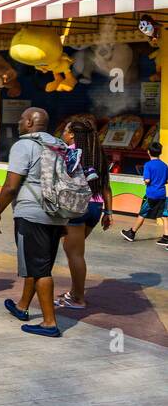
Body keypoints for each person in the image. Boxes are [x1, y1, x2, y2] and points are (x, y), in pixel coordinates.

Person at [0, 106, 73, 338]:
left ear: (29, 123)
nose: (17, 122)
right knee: (37, 263)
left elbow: (11, 186)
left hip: (31, 213)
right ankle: (22, 307)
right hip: (56, 214)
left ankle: (49, 323)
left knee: (40, 269)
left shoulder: (23, 145)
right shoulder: (60, 145)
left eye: (21, 118)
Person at [58, 116, 113, 309]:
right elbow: (105, 185)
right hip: (95, 208)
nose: (62, 133)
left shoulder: (68, 154)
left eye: (65, 130)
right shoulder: (97, 154)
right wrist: (108, 212)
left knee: (74, 254)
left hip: (76, 207)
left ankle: (78, 298)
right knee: (75, 252)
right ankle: (74, 291)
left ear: (72, 135)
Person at [122, 141, 167, 245]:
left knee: (142, 214)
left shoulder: (148, 165)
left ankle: (131, 233)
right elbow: (166, 180)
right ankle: (166, 237)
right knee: (164, 216)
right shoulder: (164, 165)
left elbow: (147, 180)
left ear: (148, 152)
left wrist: (147, 181)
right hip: (162, 194)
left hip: (151, 194)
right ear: (160, 152)